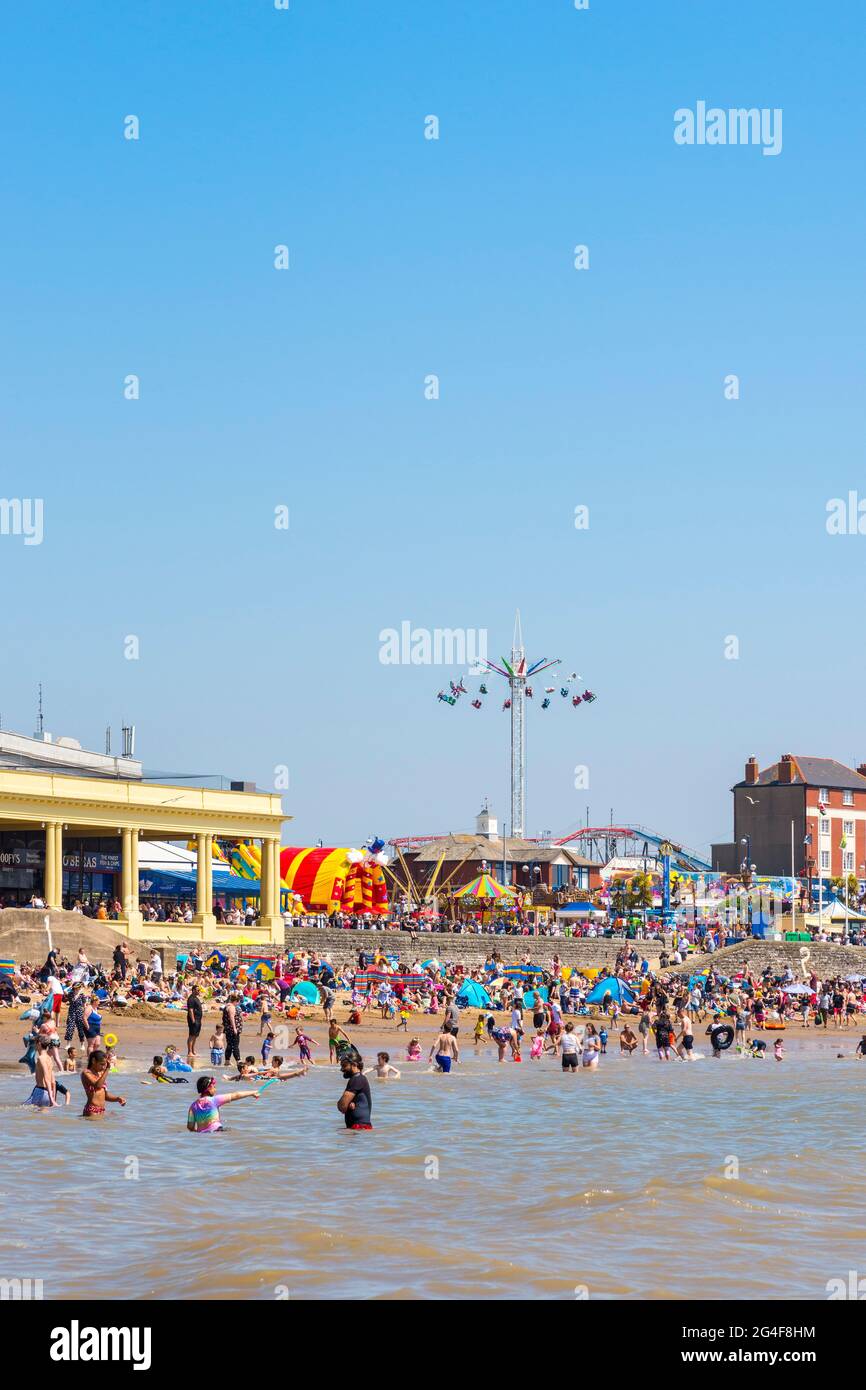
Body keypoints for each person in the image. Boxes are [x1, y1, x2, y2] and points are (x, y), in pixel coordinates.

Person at [187, 1075, 260, 1132]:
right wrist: (253, 1092)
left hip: (202, 1134)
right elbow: (236, 1095)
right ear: (209, 1088)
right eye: (214, 1087)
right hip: (217, 1131)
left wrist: (201, 1131)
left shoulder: (193, 1106)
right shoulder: (214, 1100)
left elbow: (190, 1127)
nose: (215, 1089)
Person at [82, 1051, 125, 1117]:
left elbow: (105, 1096)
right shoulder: (86, 1073)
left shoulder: (101, 1074)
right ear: (93, 1061)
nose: (103, 1067)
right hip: (92, 1110)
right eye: (101, 1064)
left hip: (102, 1111)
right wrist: (107, 1069)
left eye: (105, 1065)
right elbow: (98, 1086)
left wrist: (117, 1098)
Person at [337, 1054, 373, 1130]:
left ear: (354, 1065)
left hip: (360, 1127)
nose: (342, 1069)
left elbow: (342, 1106)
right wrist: (348, 1104)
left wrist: (345, 1105)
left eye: (344, 1066)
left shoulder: (356, 1079)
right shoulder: (358, 1078)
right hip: (359, 1128)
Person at [186, 985, 202, 1059]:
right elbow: (190, 1010)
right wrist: (193, 1020)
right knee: (191, 1035)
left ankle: (193, 1050)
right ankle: (189, 1052)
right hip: (194, 1020)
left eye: (199, 990)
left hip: (198, 1019)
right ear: (193, 990)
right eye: (197, 990)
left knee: (195, 1035)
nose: (199, 991)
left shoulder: (196, 998)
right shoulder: (191, 999)